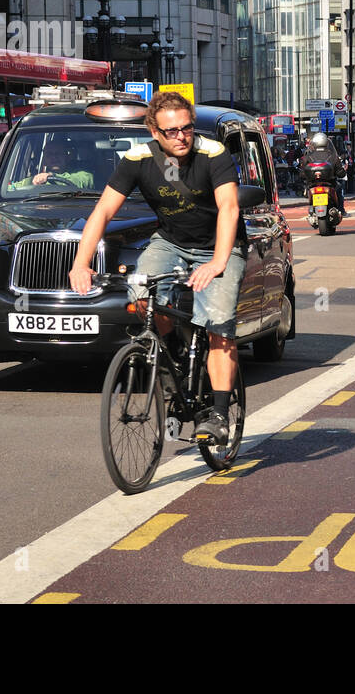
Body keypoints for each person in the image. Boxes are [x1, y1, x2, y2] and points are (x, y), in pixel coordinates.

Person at [69, 91, 245, 446]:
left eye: (187, 128)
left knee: (218, 322)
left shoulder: (212, 154)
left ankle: (220, 414)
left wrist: (218, 262)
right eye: (171, 131)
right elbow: (102, 212)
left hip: (220, 247)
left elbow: (228, 208)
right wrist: (80, 264)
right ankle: (170, 358)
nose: (181, 136)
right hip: (171, 243)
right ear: (154, 131)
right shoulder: (138, 159)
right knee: (140, 296)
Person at [8, 140, 94, 191]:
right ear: (44, 160)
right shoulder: (37, 179)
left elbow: (79, 182)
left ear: (67, 157)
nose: (54, 157)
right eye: (49, 154)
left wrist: (51, 176)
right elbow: (12, 188)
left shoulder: (84, 174)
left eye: (58, 153)